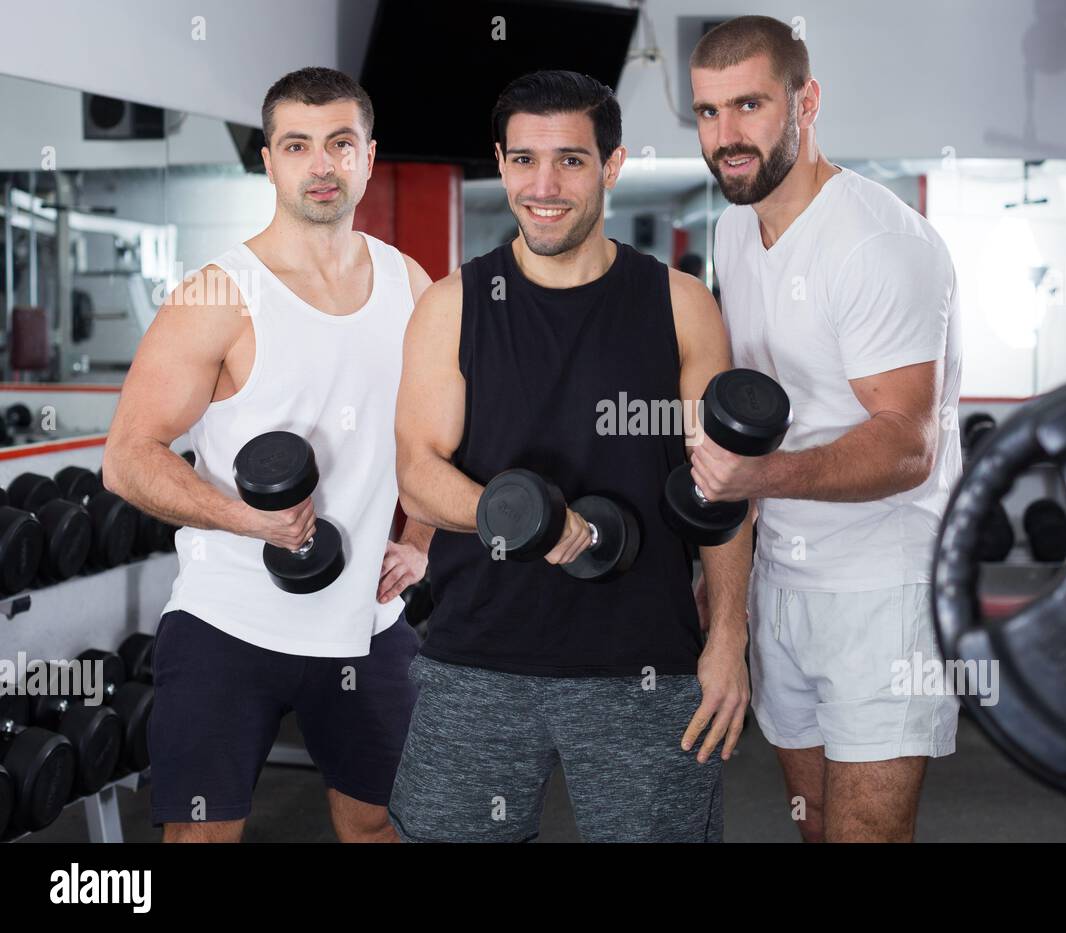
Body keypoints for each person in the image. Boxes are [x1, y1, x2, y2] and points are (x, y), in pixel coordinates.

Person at [388, 70, 749, 843]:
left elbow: (720, 488)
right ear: (500, 161)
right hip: (477, 657)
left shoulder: (680, 305)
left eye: (571, 160)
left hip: (641, 662)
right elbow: (417, 475)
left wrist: (728, 637)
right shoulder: (451, 305)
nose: (543, 185)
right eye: (523, 159)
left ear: (611, 166)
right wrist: (524, 523)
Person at [102, 67, 432, 842]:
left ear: (369, 156)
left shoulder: (409, 284)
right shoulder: (217, 298)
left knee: (382, 827)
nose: (322, 165)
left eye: (340, 143)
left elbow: (438, 439)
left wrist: (419, 541)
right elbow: (128, 456)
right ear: (269, 160)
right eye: (298, 145)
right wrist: (247, 519)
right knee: (200, 839)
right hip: (228, 621)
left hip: (368, 623)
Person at [689, 16, 963, 842]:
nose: (726, 136)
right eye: (707, 113)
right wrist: (731, 579)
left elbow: (907, 444)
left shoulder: (877, 243)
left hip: (884, 587)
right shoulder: (732, 228)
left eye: (749, 106)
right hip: (785, 577)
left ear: (806, 101)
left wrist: (756, 481)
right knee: (815, 830)